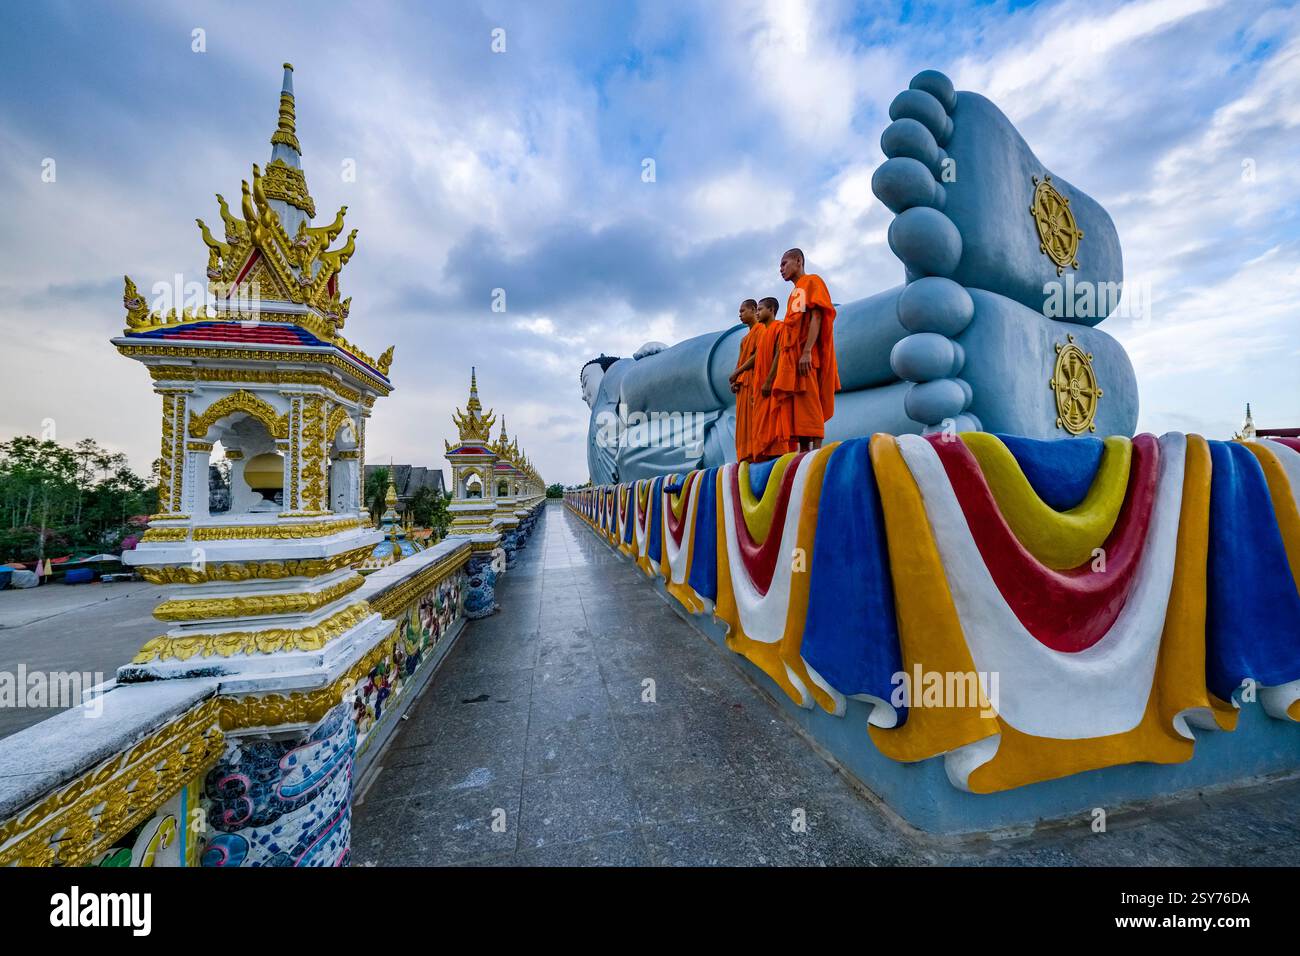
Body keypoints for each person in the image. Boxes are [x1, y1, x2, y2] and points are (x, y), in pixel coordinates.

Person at [772, 248, 839, 451]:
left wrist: (807, 350)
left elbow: (816, 317)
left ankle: (817, 450)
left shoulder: (811, 281)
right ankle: (803, 452)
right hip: (793, 356)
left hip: (805, 355)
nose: (781, 269)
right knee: (797, 404)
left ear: (798, 261)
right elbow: (796, 322)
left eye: (784, 263)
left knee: (809, 401)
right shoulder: (796, 292)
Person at [754, 296, 795, 460]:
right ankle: (766, 457)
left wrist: (770, 380)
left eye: (760, 309)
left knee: (776, 421)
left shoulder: (779, 327)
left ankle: (779, 456)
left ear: (771, 310)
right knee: (762, 425)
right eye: (756, 309)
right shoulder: (763, 334)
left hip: (772, 386)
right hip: (761, 389)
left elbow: (780, 353)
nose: (757, 313)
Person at [727, 299, 760, 462]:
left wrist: (738, 371)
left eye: (742, 311)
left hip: (755, 381)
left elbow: (759, 355)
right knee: (743, 424)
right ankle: (746, 455)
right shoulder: (744, 339)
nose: (740, 315)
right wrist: (735, 379)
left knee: (755, 420)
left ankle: (757, 453)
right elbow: (741, 361)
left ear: (754, 310)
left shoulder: (762, 329)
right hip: (743, 385)